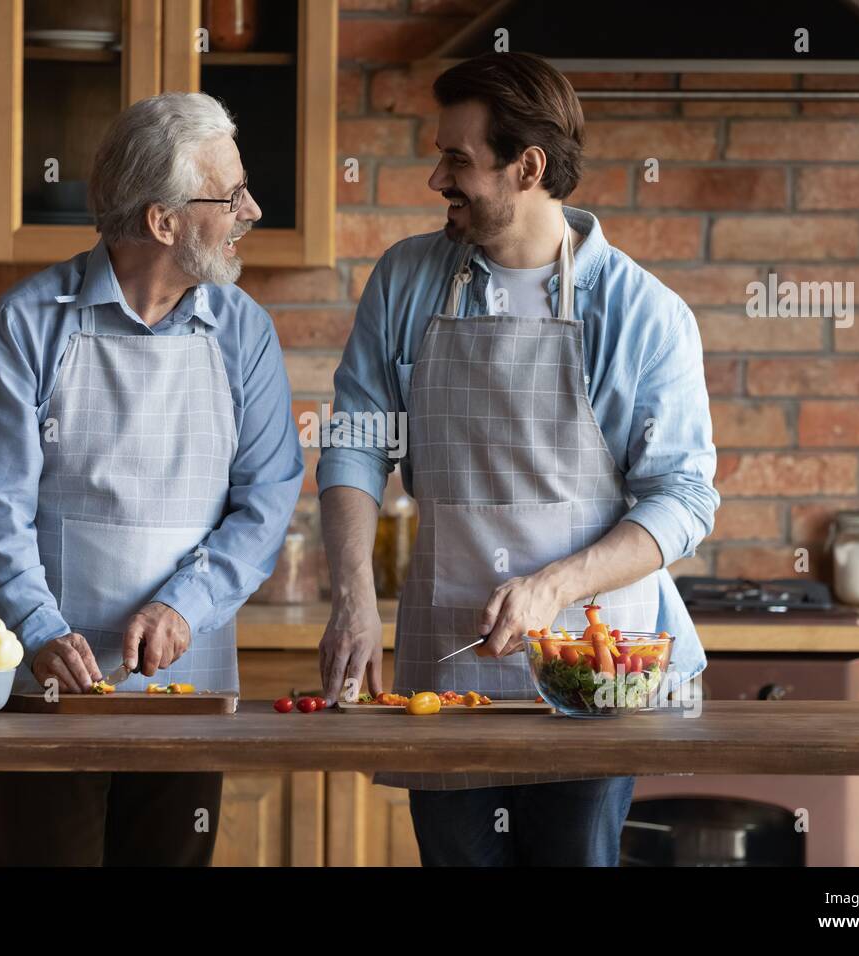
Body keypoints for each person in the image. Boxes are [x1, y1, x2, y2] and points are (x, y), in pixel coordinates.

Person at [316, 52, 719, 866]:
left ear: (527, 167)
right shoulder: (406, 280)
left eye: (457, 159)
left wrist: (552, 589)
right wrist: (354, 595)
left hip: (595, 668)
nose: (437, 178)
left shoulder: (643, 313)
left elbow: (683, 498)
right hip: (447, 659)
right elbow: (357, 443)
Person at [0, 92, 303, 866]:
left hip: (190, 699)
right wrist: (43, 634)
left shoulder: (244, 332)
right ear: (163, 221)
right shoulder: (28, 323)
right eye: (231, 194)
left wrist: (187, 605)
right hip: (46, 703)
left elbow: (268, 495)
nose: (250, 208)